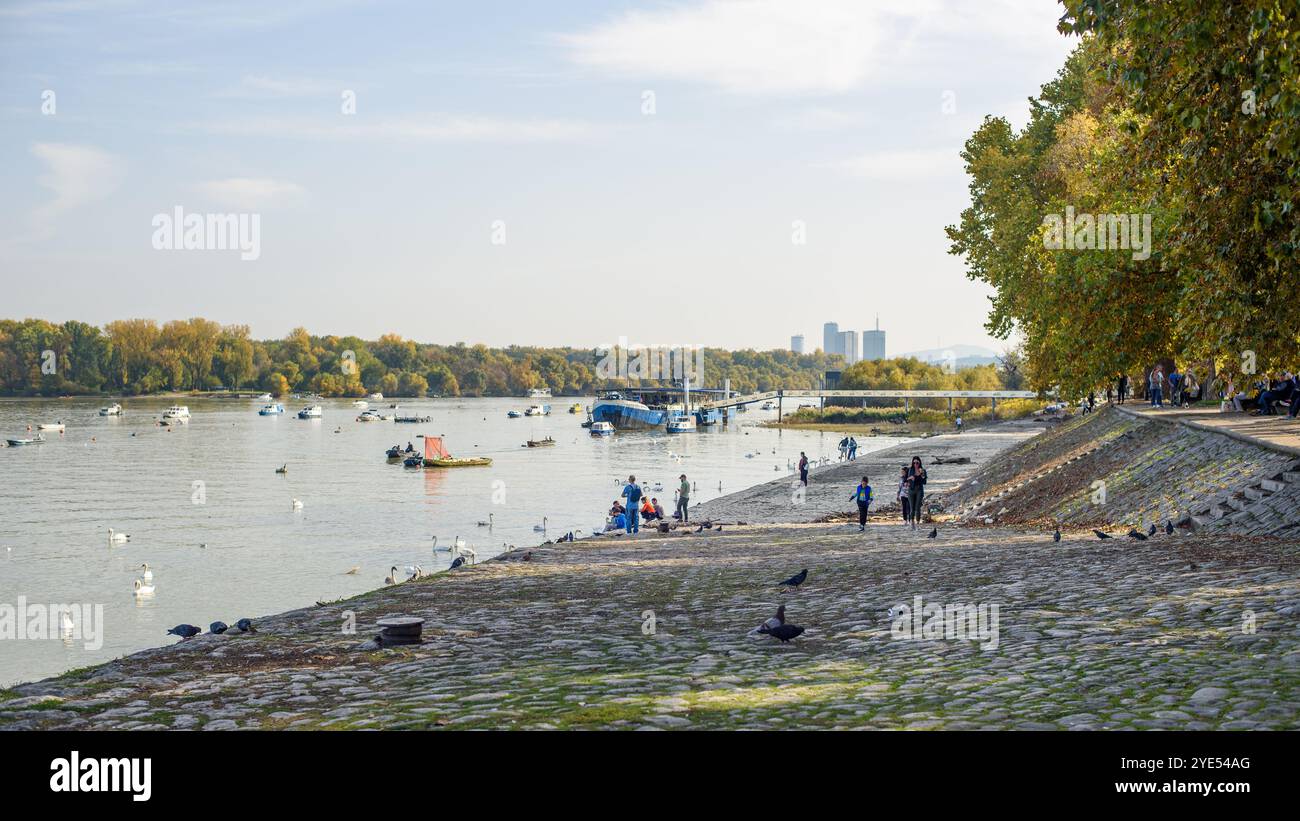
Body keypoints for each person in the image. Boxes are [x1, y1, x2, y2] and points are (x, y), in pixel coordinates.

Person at [906, 456, 927, 531]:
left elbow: (924, 482)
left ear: (919, 463)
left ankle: (918, 523)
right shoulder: (910, 470)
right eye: (914, 463)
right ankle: (912, 523)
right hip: (911, 490)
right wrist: (910, 479)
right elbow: (906, 479)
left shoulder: (923, 470)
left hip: (919, 490)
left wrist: (922, 475)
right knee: (912, 508)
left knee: (917, 507)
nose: (915, 464)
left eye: (917, 462)